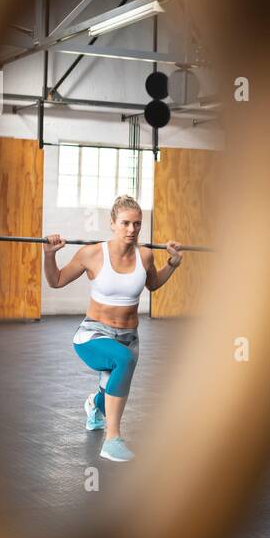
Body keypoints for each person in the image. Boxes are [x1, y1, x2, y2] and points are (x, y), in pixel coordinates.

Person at [43, 194, 185, 463]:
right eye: (125, 223)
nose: (132, 230)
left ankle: (93, 407)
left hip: (129, 337)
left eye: (137, 224)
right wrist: (49, 255)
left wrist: (172, 264)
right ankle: (112, 439)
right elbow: (56, 281)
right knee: (122, 360)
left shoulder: (145, 255)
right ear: (112, 223)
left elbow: (153, 285)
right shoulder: (92, 254)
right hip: (93, 334)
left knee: (111, 389)